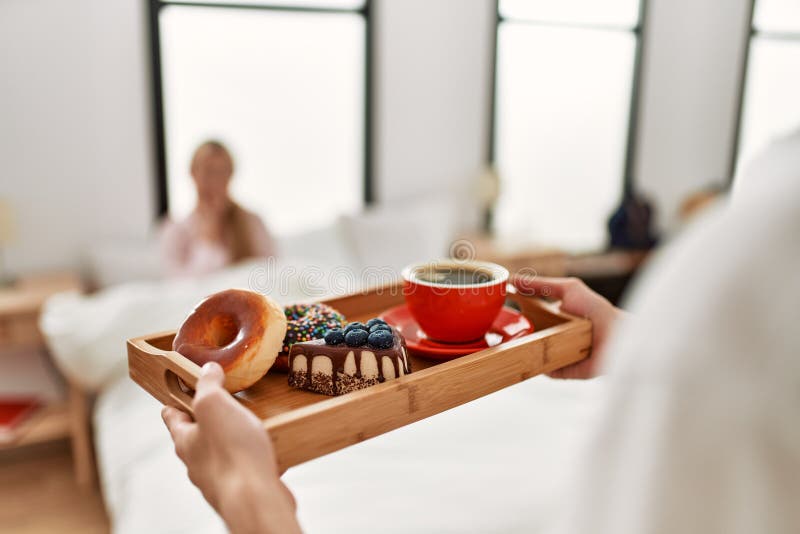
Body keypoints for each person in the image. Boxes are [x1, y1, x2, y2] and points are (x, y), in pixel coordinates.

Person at [163, 143, 800, 532]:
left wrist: (247, 496)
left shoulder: (756, 263)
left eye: (222, 170)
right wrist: (634, 336)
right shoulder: (757, 263)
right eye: (205, 171)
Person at [160, 140, 275, 276]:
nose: (215, 181)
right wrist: (208, 241)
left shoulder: (253, 223)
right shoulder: (175, 230)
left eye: (222, 172)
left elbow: (273, 274)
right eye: (209, 171)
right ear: (193, 173)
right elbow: (180, 284)